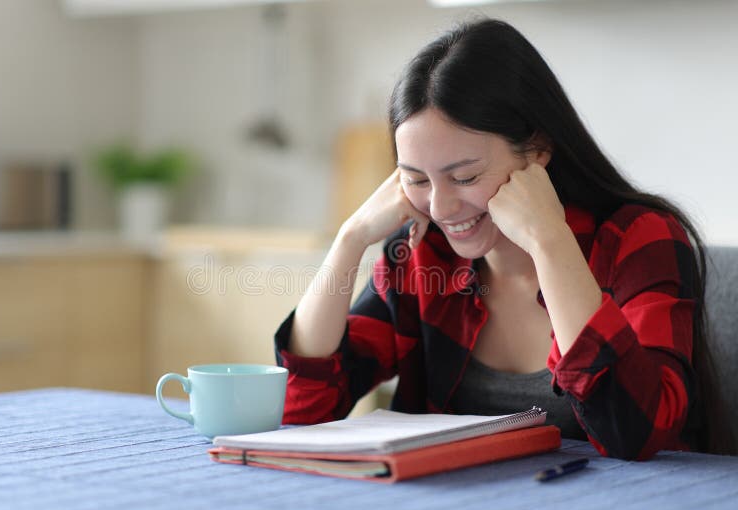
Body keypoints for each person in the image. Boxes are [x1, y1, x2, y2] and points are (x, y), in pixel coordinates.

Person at [274, 18, 733, 459]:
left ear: (537, 150)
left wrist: (550, 240)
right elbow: (302, 408)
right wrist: (350, 239)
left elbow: (634, 433)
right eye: (416, 179)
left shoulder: (638, 238)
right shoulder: (423, 253)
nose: (441, 208)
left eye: (465, 177)